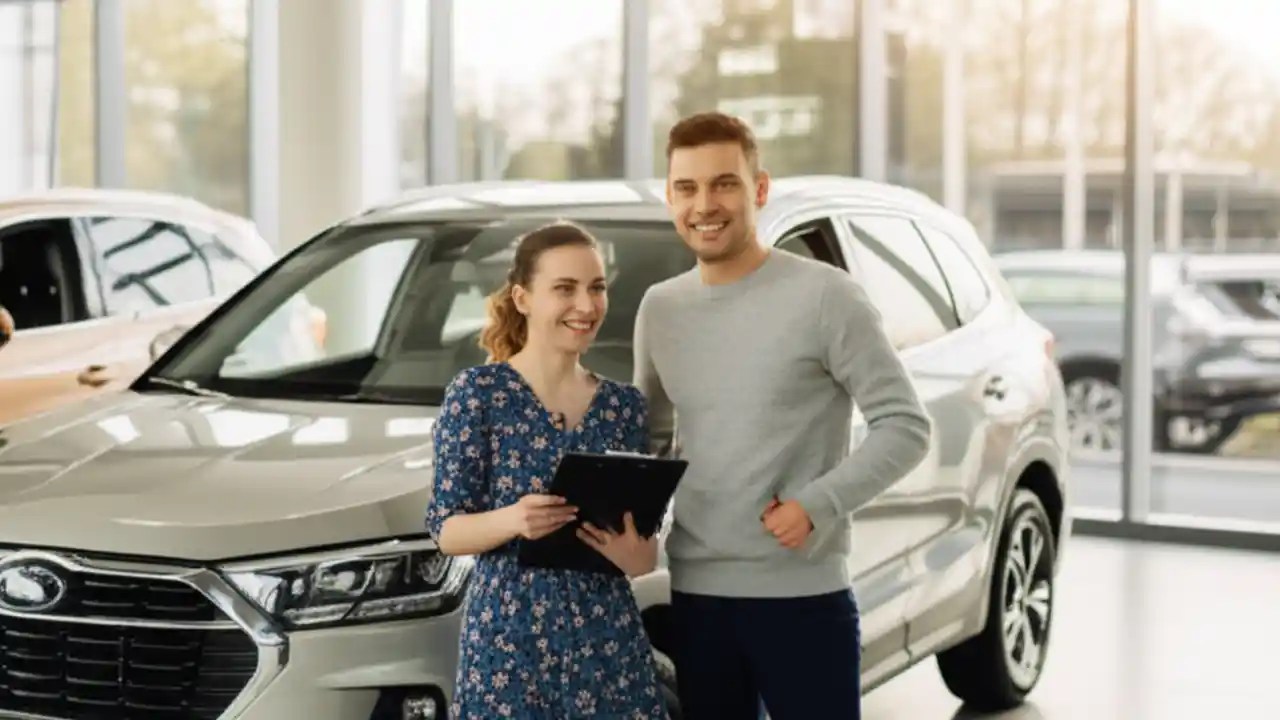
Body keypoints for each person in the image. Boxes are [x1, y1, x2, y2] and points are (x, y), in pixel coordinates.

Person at [633, 112, 933, 719]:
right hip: (694, 597)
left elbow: (906, 426)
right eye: (687, 188)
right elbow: (653, 443)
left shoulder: (826, 297)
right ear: (670, 196)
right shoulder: (660, 309)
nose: (704, 205)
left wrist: (816, 506)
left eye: (724, 184)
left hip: (802, 600)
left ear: (760, 190)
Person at [426, 221, 669, 720]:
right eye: (565, 288)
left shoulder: (623, 407)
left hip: (607, 639)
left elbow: (641, 550)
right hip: (508, 647)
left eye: (596, 288)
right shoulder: (478, 395)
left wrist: (640, 554)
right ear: (523, 298)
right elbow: (447, 530)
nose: (586, 305)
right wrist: (514, 519)